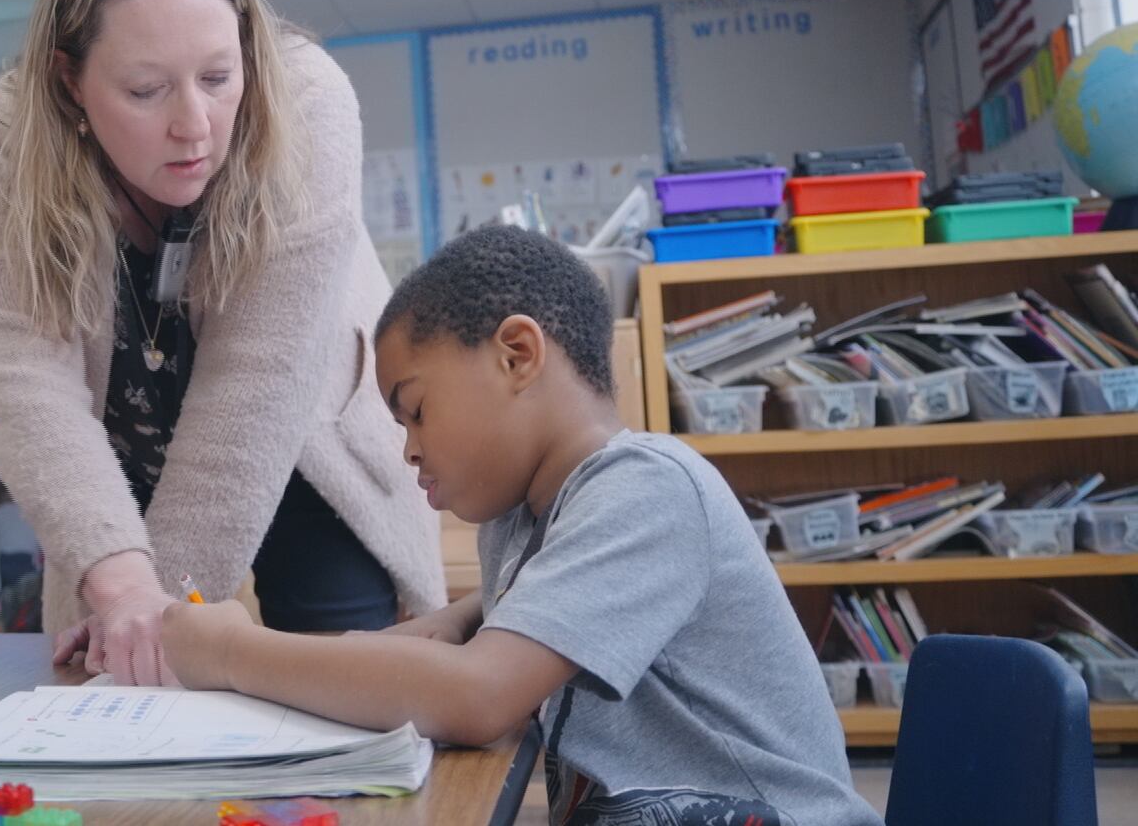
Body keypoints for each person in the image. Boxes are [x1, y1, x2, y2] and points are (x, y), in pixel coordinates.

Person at [162, 226, 882, 826]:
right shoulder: (526, 521)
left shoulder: (645, 488)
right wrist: (259, 676)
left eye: (415, 409)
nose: (408, 447)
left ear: (518, 354)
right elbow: (447, 634)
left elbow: (477, 693)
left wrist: (234, 650)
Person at [0, 0, 444, 684]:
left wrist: (157, 615)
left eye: (217, 77)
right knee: (121, 702)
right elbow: (30, 395)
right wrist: (125, 588)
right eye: (145, 91)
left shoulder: (307, 102)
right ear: (69, 80)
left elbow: (257, 387)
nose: (195, 125)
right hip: (114, 471)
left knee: (342, 696)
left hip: (302, 440)